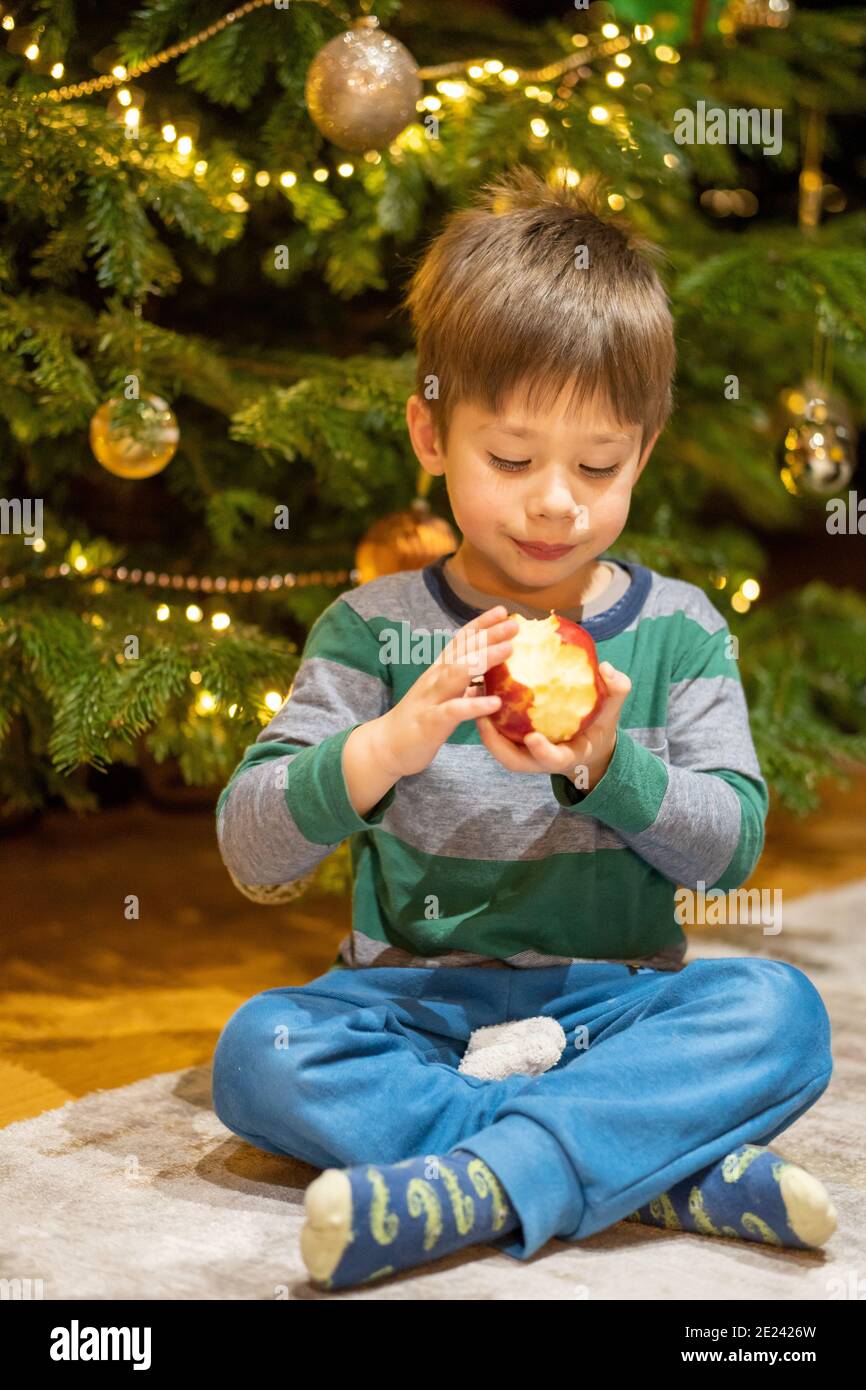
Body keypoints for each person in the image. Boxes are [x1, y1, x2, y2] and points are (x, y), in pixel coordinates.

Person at [211, 166, 835, 1291]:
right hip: (409, 1005)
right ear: (430, 434)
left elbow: (728, 847)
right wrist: (386, 745)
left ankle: (476, 1177)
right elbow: (252, 847)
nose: (555, 500)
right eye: (510, 460)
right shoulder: (369, 630)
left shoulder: (679, 634)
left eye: (596, 465)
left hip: (608, 1006)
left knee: (778, 1012)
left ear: (642, 450)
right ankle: (641, 1168)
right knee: (262, 1051)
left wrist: (606, 761)